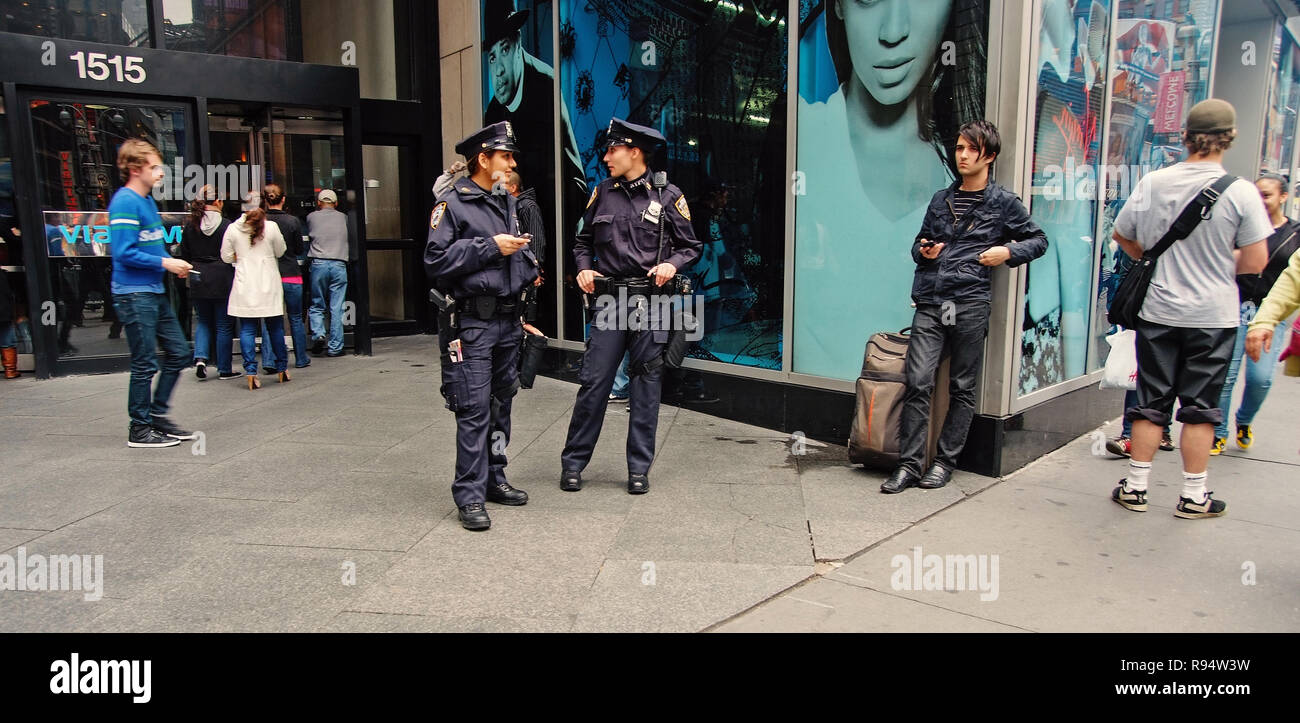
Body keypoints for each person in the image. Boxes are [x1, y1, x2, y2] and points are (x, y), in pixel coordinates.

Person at [795, 0, 987, 380]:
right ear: (839, 7)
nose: (893, 31)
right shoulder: (801, 138)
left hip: (919, 376)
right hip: (817, 379)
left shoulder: (964, 171)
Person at [1109, 99, 1270, 520]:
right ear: (1229, 139)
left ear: (1184, 136)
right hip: (1213, 317)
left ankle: (1136, 487)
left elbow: (1123, 235)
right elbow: (1255, 261)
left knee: (1149, 400)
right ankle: (1193, 496)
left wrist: (1156, 258)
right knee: (1200, 407)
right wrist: (1218, 260)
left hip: (1158, 310)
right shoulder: (1241, 192)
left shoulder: (1154, 183)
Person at [882, 120, 1048, 494]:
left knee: (961, 386)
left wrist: (1006, 251)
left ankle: (943, 463)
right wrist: (926, 251)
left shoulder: (1003, 202)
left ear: (988, 156)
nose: (963, 155)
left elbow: (1038, 240)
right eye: (959, 148)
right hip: (930, 300)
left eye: (971, 149)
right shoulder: (941, 199)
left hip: (970, 301)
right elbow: (916, 247)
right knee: (918, 381)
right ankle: (908, 465)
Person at [559, 118, 701, 495]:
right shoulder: (601, 193)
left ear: (634, 151)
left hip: (651, 304)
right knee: (594, 384)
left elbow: (691, 246)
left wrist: (673, 263)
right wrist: (584, 270)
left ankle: (639, 468)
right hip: (609, 301)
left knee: (646, 388)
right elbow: (581, 243)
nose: (606, 157)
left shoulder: (668, 196)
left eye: (612, 150)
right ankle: (573, 463)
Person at [424, 121, 539, 531]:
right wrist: (490, 247)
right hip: (473, 322)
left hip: (508, 320)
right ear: (483, 158)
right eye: (505, 156)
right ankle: (469, 495)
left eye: (511, 157)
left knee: (501, 404)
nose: (510, 164)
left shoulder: (503, 200)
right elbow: (434, 260)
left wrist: (524, 267)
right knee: (474, 409)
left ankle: (495, 478)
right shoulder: (452, 204)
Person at [107, 138, 196, 448]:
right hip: (134, 293)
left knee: (180, 352)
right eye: (155, 167)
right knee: (145, 362)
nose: (160, 173)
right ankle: (140, 429)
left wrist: (172, 262)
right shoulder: (125, 202)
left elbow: (149, 245)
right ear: (135, 169)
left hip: (152, 291)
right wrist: (166, 262)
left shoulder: (146, 202)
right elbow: (122, 252)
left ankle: (156, 415)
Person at [481, 0, 586, 254]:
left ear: (518, 43)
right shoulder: (494, 112)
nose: (498, 71)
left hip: (558, 225)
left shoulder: (544, 84)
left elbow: (571, 179)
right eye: (492, 57)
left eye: (504, 50)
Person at [1211, 173, 1299, 453]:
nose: (1260, 200)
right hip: (1234, 306)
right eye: (1256, 194)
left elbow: (1292, 281)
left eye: (1267, 195)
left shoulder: (1296, 233)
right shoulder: (1241, 227)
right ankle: (1219, 431)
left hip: (1270, 313)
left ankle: (1244, 420)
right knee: (1226, 376)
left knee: (1261, 378)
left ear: (1283, 197)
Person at [221, 206, 289, 389]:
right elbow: (281, 250)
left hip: (245, 283)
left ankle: (251, 372)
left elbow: (226, 257)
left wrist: (241, 256)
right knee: (275, 328)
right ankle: (282, 368)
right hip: (268, 282)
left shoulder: (233, 228)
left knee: (247, 329)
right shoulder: (272, 227)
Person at [177, 185, 239, 381]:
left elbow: (184, 253)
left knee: (203, 321)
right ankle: (224, 369)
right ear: (218, 202)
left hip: (197, 275)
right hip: (222, 276)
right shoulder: (228, 225)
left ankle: (201, 359)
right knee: (223, 325)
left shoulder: (190, 225)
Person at [264, 184, 310, 369]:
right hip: (291, 274)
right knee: (296, 318)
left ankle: (269, 360)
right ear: (283, 199)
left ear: (265, 200)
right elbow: (299, 249)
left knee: (269, 318)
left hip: (270, 275)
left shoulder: (261, 221)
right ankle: (300, 358)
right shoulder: (293, 221)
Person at [306, 189, 350, 358]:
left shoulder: (311, 217)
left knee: (317, 302)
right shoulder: (343, 217)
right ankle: (335, 347)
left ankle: (318, 334)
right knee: (337, 307)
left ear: (318, 203)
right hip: (339, 263)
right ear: (336, 203)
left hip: (319, 263)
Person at [1, 267, 17, 379]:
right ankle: (10, 370)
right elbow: (8, 295)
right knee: (7, 339)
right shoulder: (2, 275)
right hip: (3, 312)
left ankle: (10, 370)